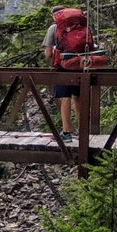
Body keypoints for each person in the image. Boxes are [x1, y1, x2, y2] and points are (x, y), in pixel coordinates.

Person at [43, 7, 83, 142]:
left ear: (55, 16)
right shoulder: (80, 26)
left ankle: (67, 133)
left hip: (63, 68)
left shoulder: (54, 28)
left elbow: (48, 53)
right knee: (78, 97)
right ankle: (82, 131)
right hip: (80, 66)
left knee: (65, 98)